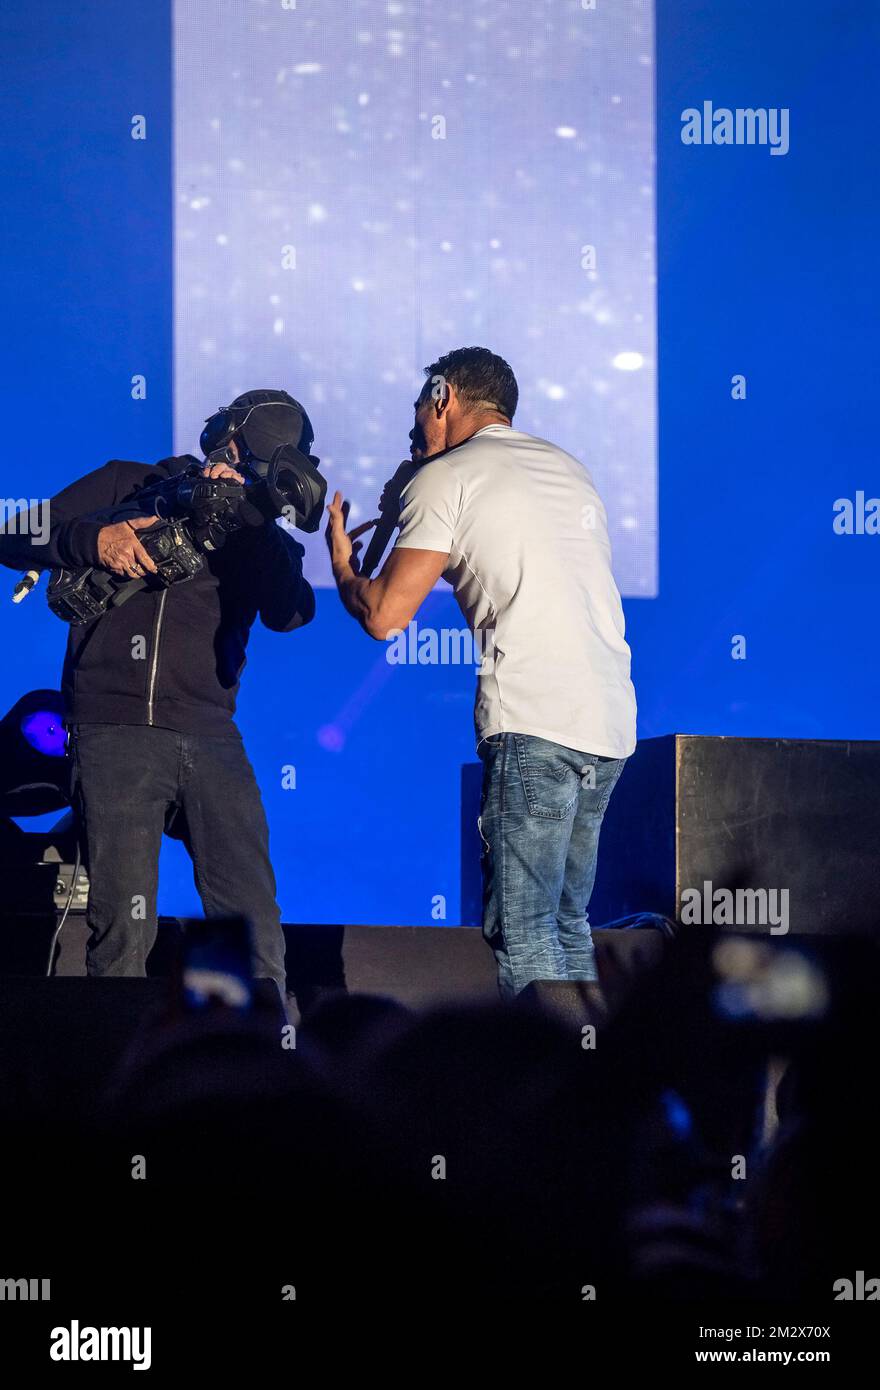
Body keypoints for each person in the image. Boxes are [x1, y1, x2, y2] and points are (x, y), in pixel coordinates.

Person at [326, 347, 636, 999]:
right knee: (569, 926)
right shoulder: (568, 469)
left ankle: (550, 1093)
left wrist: (345, 566)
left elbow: (384, 617)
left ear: (444, 396)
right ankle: (596, 1086)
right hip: (608, 723)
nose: (412, 433)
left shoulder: (447, 476)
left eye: (417, 414)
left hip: (534, 720)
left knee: (523, 932)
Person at [0, 389, 316, 996]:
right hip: (112, 728)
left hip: (210, 731)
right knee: (122, 926)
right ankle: (122, 1074)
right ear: (222, 438)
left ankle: (238, 1067)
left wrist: (254, 524)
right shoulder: (128, 481)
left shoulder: (256, 531)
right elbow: (18, 532)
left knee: (244, 923)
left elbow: (289, 611)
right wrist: (99, 541)